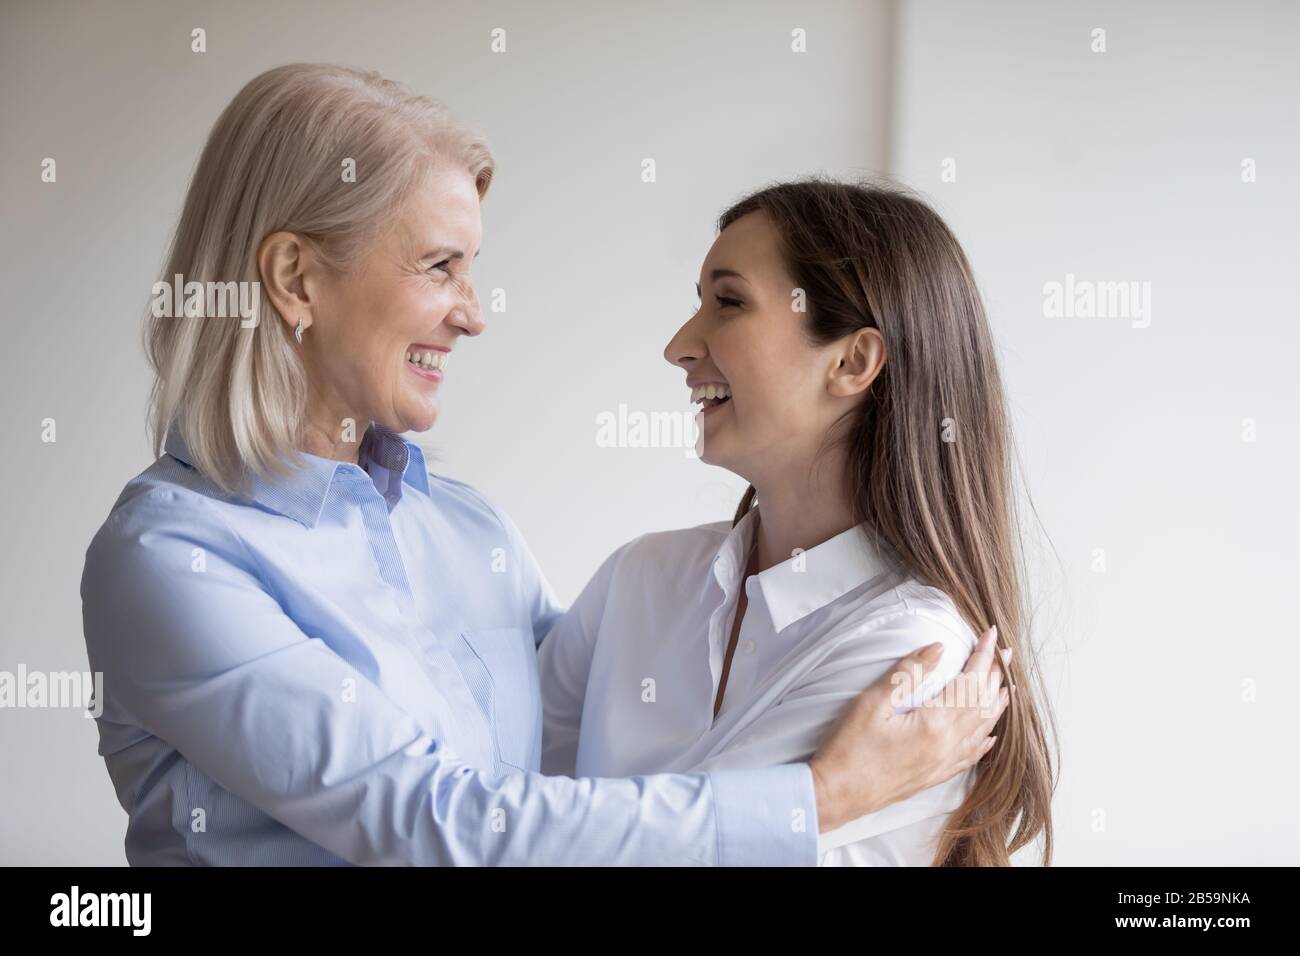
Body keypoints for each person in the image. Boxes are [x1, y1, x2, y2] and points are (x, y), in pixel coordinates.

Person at [80, 64, 1006, 865]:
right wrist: (818, 799)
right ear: (294, 280)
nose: (474, 313)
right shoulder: (173, 558)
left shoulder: (468, 528)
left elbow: (564, 796)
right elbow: (439, 826)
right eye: (439, 266)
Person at [539, 180, 1052, 865]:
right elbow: (487, 816)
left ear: (851, 361)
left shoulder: (915, 656)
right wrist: (824, 791)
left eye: (729, 302)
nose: (680, 346)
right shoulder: (643, 576)